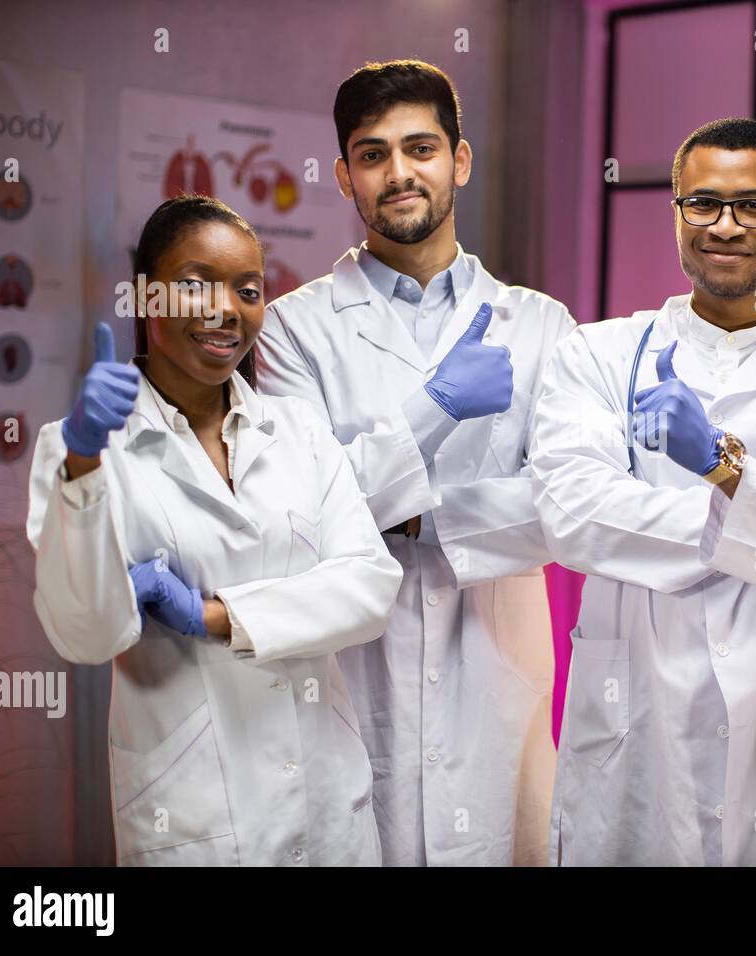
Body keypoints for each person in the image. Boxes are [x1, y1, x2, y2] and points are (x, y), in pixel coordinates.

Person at [530, 118, 756, 865]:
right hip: (637, 712)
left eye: (752, 206)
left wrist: (725, 470)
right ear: (676, 212)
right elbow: (573, 518)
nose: (724, 225)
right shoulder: (597, 355)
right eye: (702, 203)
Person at [256, 60, 574, 866]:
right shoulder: (295, 331)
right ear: (343, 177)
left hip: (498, 682)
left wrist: (417, 517)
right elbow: (303, 514)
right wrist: (436, 407)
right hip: (357, 681)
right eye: (372, 155)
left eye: (421, 148)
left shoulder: (540, 325)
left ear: (459, 161)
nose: (399, 173)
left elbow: (569, 504)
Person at [26, 195, 402, 865]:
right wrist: (85, 463)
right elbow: (85, 634)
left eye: (248, 289)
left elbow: (370, 589)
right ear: (146, 296)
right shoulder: (77, 450)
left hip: (329, 806)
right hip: (194, 818)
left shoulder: (298, 432)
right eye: (196, 284)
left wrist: (215, 616)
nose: (227, 308)